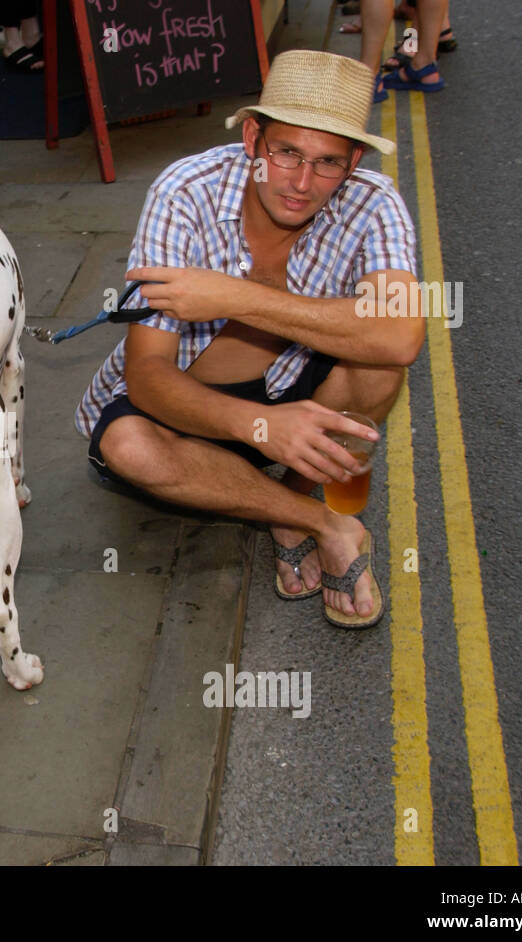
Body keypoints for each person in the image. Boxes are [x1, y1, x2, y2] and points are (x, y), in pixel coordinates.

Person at [74, 50, 425, 629]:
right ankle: (312, 520)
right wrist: (262, 428)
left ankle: (294, 489)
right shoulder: (185, 191)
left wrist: (234, 297)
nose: (303, 183)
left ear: (354, 160)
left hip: (295, 394)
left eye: (328, 162)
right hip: (196, 412)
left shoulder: (374, 200)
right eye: (287, 153)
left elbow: (400, 336)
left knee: (380, 364)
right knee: (127, 446)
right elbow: (149, 376)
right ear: (254, 139)